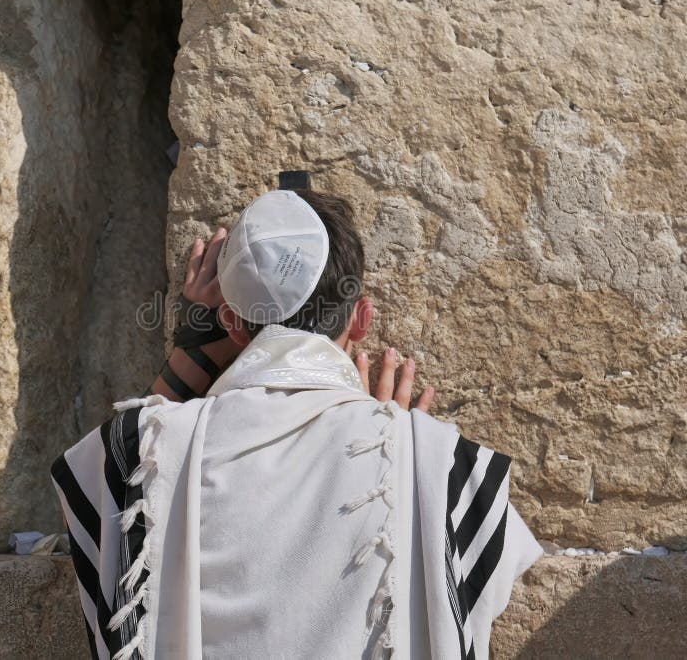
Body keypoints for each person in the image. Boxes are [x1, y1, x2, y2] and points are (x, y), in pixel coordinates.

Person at [52, 189, 542, 660]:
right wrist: (405, 453)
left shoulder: (145, 448)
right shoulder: (435, 460)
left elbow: (106, 500)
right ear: (362, 318)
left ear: (234, 325)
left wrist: (190, 354)